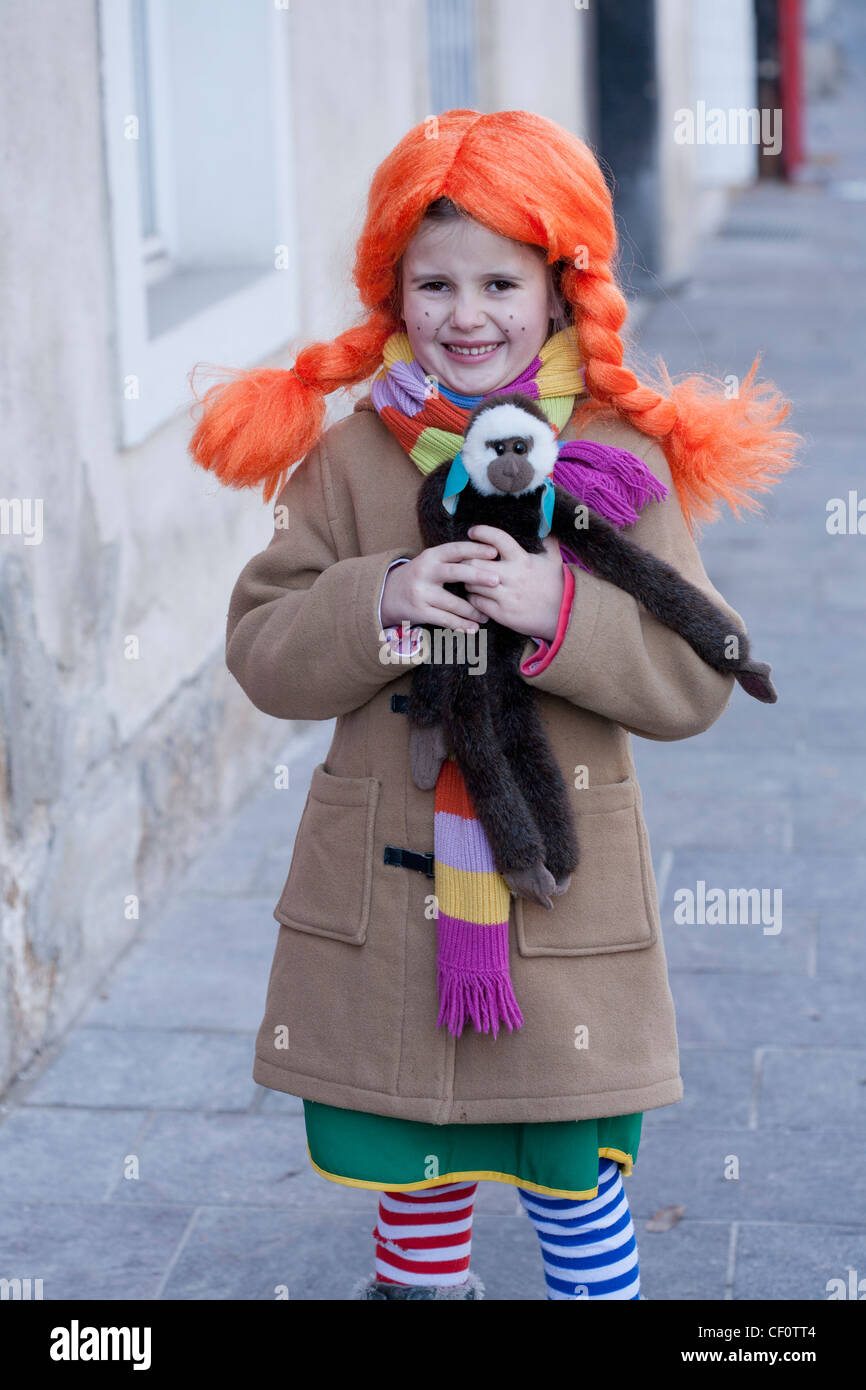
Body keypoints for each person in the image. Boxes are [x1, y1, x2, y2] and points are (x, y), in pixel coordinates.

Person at [188, 109, 799, 1301]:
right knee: (414, 1172)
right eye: (434, 284)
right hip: (391, 905)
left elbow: (692, 679)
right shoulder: (350, 460)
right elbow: (261, 647)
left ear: (561, 289)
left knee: (572, 1178)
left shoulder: (617, 459)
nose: (465, 315)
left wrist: (559, 610)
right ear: (393, 292)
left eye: (499, 283)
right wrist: (382, 595)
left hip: (550, 900)